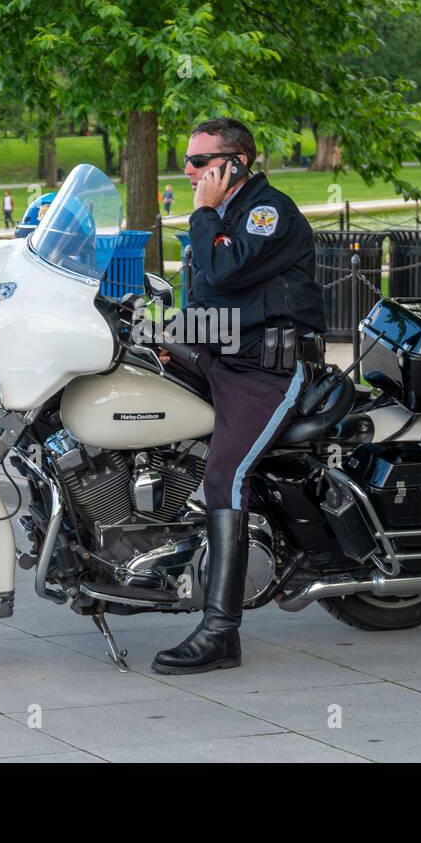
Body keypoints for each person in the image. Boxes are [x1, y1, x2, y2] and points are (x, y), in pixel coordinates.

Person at [151, 117, 326, 675]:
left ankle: (221, 631)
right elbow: (207, 298)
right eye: (188, 160)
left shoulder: (265, 213)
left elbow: (224, 273)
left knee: (225, 477)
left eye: (202, 162)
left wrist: (201, 214)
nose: (190, 171)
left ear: (236, 164)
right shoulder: (224, 216)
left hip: (264, 371)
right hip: (221, 356)